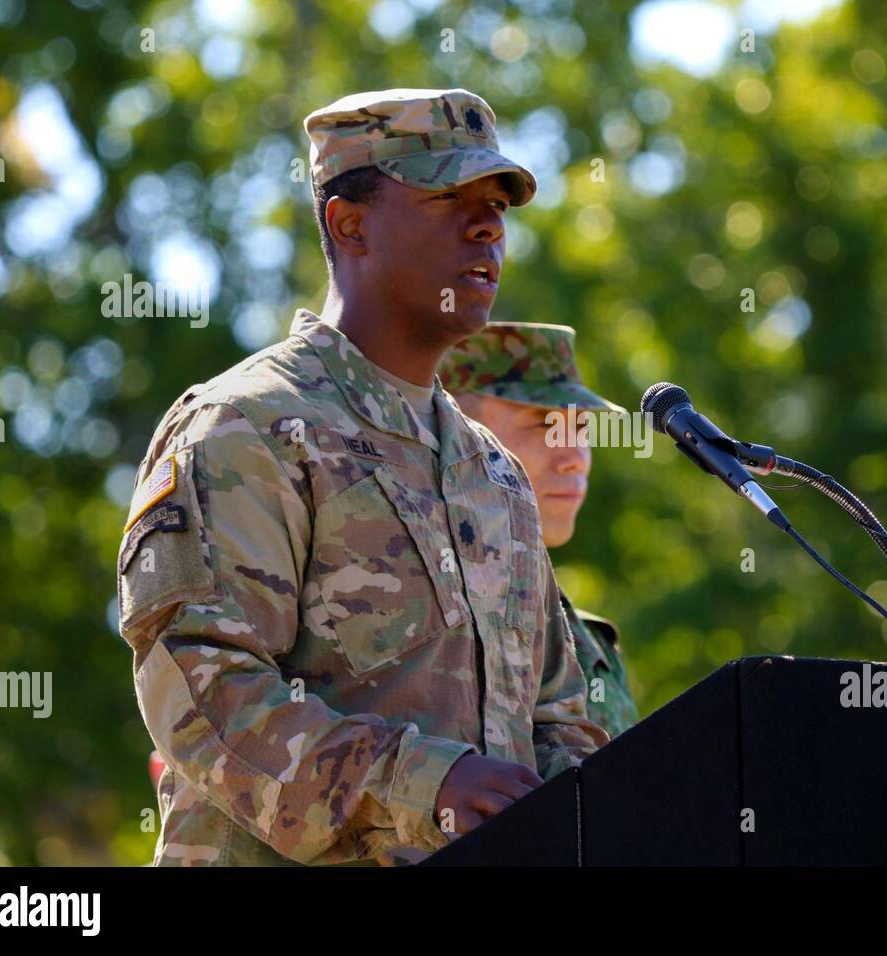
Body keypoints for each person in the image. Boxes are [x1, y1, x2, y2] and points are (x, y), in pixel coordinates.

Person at [116, 88, 606, 867]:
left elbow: (563, 719)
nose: (489, 226)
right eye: (449, 196)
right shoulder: (248, 427)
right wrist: (425, 787)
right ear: (350, 225)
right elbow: (204, 695)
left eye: (497, 205)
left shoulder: (498, 478)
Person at [439, 324, 638, 737]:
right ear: (456, 433)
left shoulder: (592, 643)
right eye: (545, 424)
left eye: (581, 429)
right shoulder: (420, 621)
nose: (575, 458)